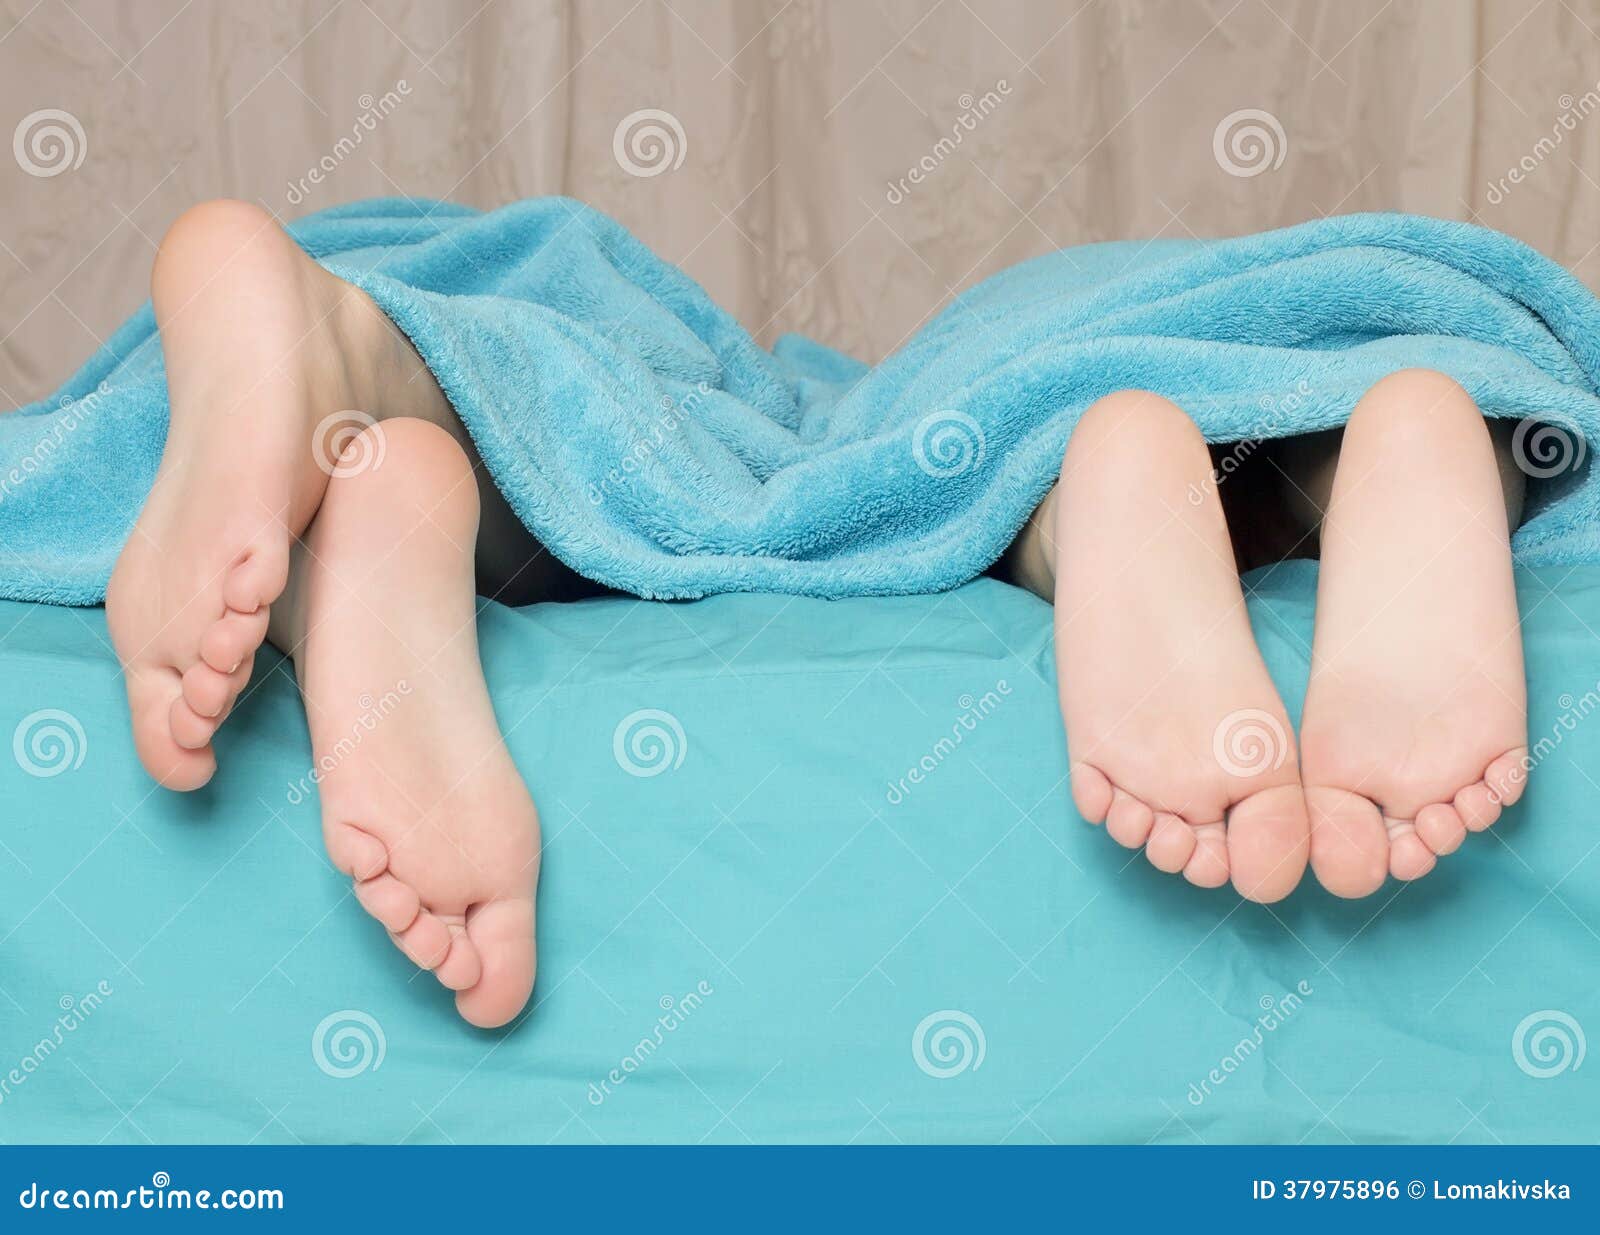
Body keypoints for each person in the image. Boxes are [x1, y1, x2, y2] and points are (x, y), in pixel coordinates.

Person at [105, 200, 1530, 1028]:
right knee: (1037, 428)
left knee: (557, 416)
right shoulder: (936, 360)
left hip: (450, 286)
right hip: (1066, 348)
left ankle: (364, 383)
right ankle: (1357, 434)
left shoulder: (624, 335)